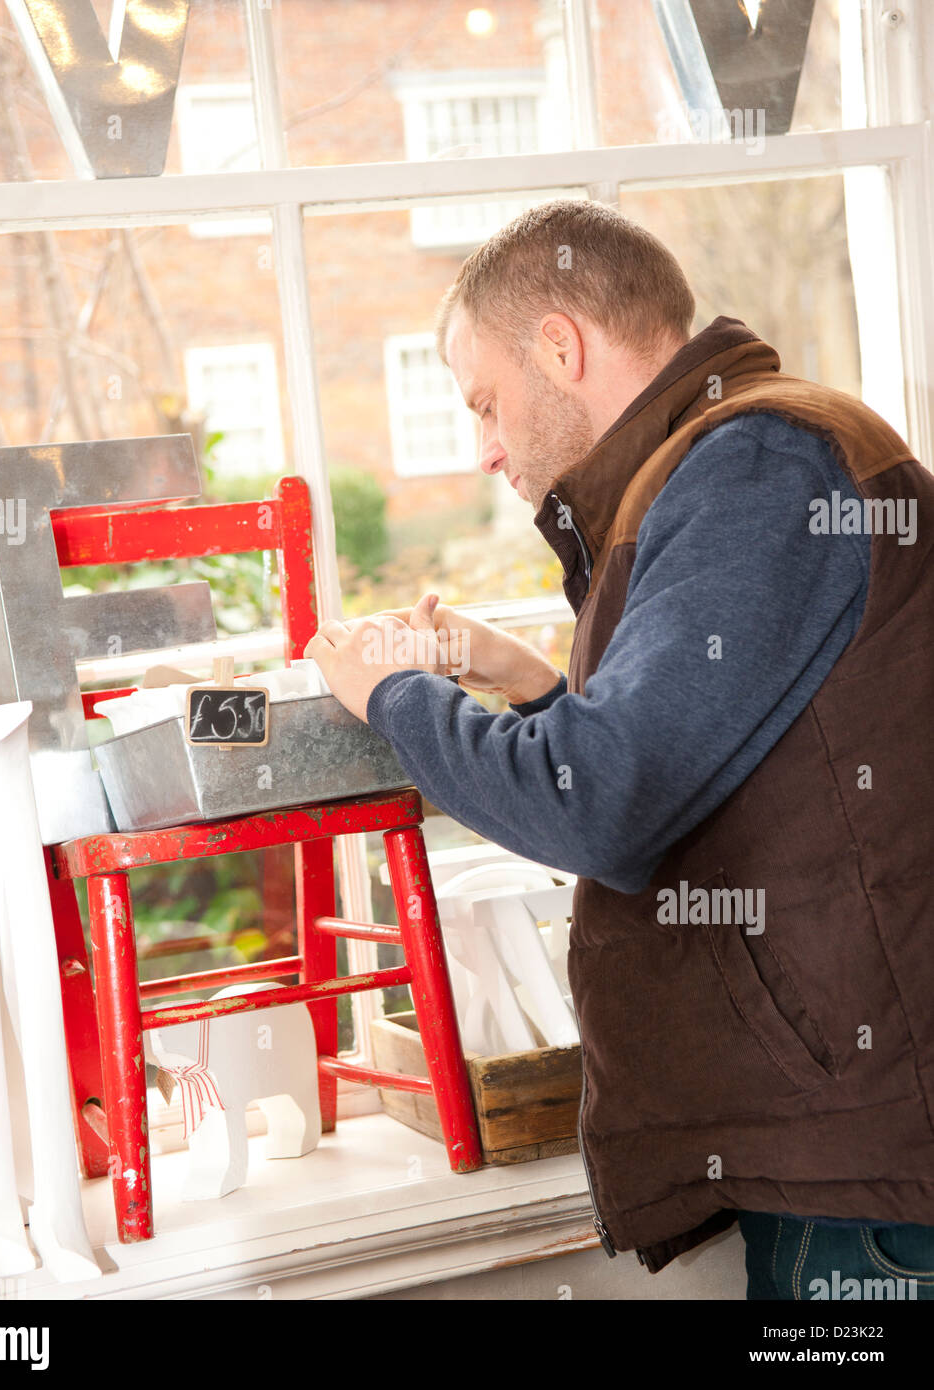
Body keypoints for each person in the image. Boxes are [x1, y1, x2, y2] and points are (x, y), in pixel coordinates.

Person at [305, 199, 934, 1300]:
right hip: (847, 1154)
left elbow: (604, 800)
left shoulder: (757, 470)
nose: (485, 447)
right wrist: (527, 678)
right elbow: (715, 760)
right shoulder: (727, 462)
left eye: (486, 403)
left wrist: (393, 696)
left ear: (562, 344)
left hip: (870, 1187)